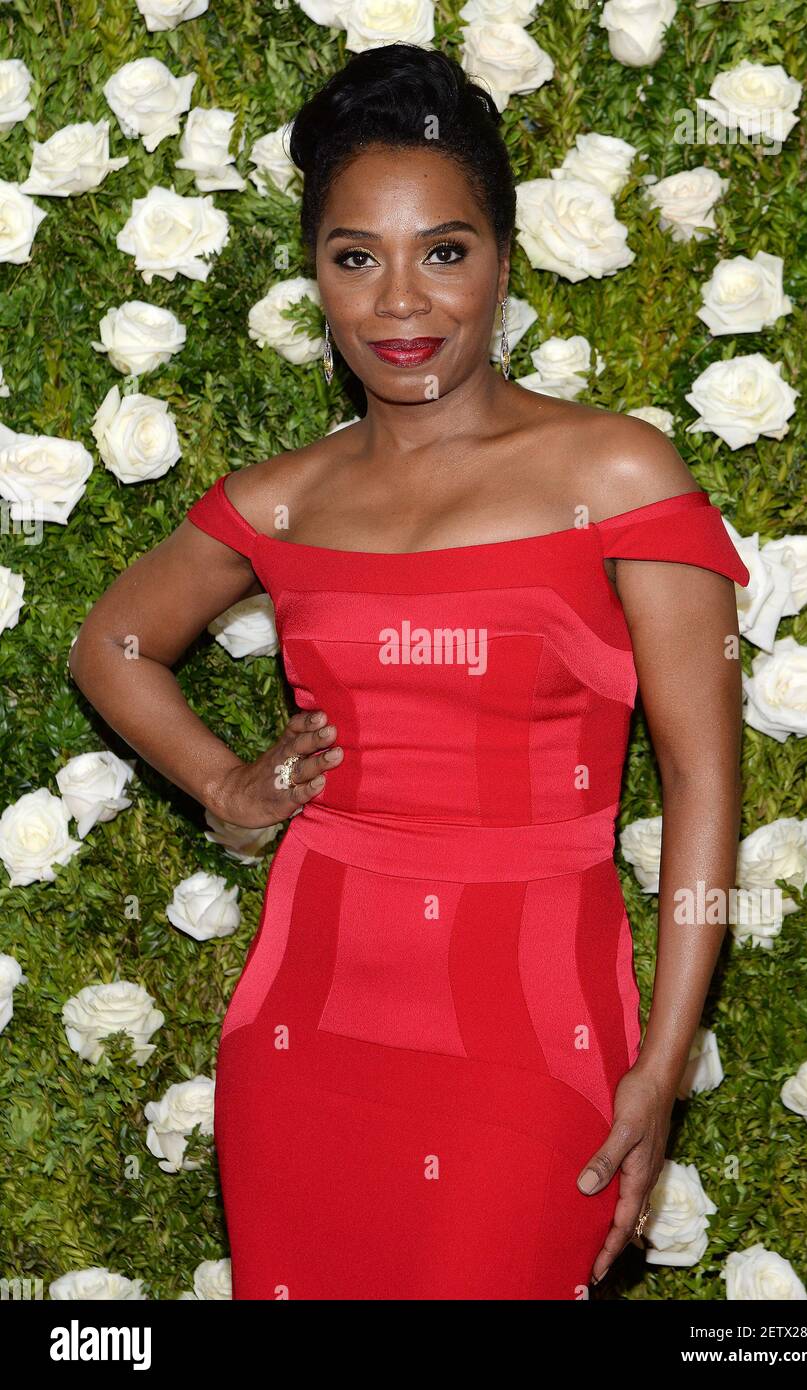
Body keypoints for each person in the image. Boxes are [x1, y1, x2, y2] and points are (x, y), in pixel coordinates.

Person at [68, 41, 751, 1300]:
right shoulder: (286, 498)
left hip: (535, 1029)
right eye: (354, 258)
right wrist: (225, 787)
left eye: (442, 251)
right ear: (318, 276)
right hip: (305, 1023)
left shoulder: (617, 475)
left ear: (502, 261)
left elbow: (704, 783)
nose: (400, 302)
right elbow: (109, 645)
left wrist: (660, 1063)